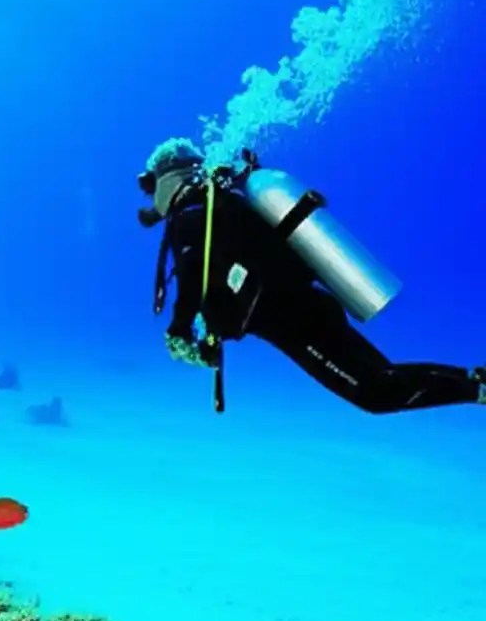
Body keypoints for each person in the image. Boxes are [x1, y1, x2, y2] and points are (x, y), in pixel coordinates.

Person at [137, 137, 485, 414]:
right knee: (383, 376)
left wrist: (178, 328)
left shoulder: (192, 214)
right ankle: (477, 382)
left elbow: (194, 272)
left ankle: (477, 389)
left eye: (151, 187)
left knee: (375, 393)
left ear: (165, 179)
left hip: (294, 321)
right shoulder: (219, 204)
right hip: (308, 307)